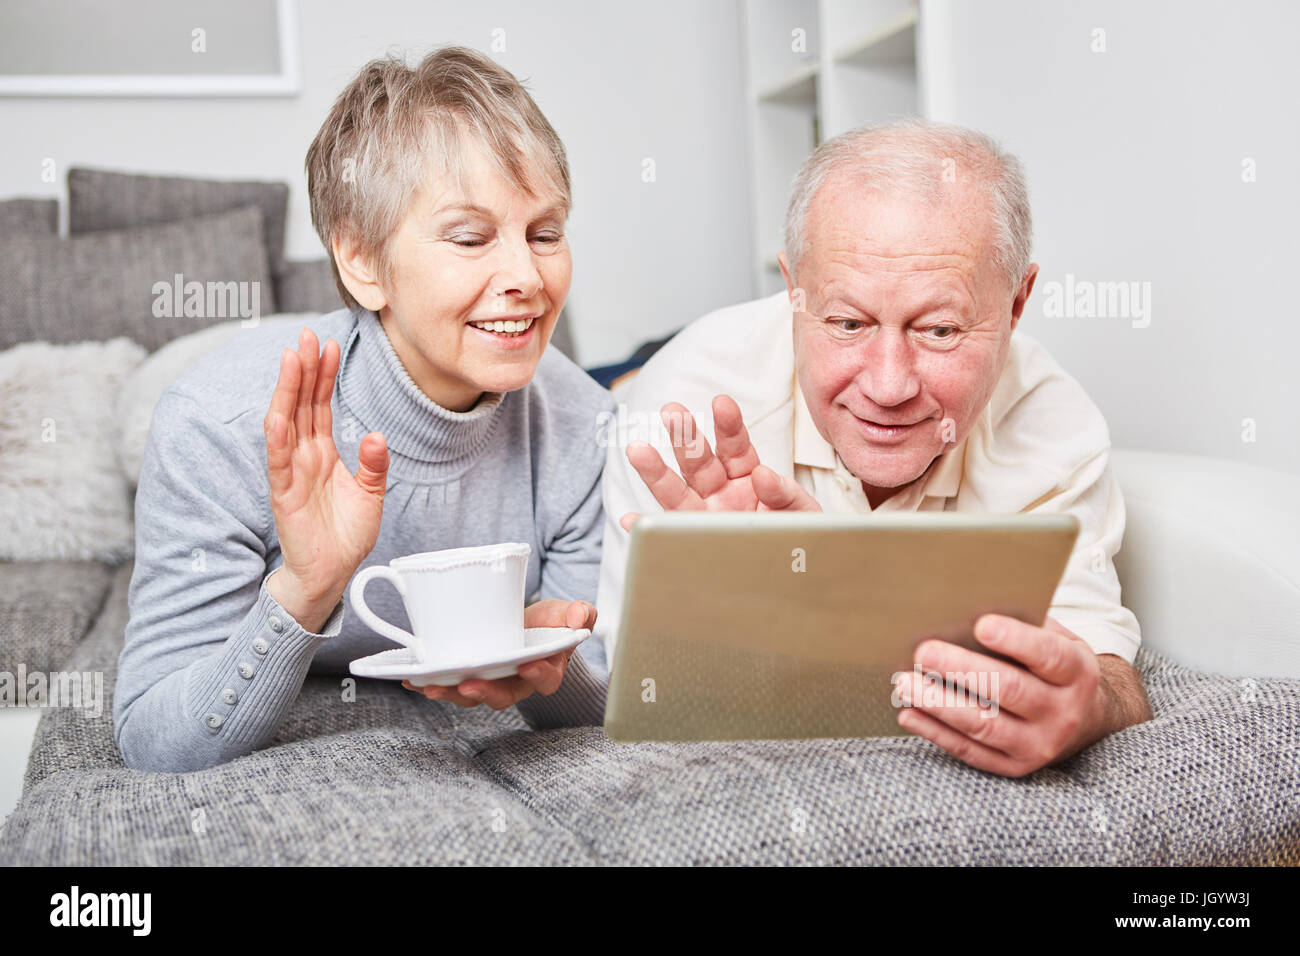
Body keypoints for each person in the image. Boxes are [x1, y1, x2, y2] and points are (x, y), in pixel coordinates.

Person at [596, 118, 1153, 779]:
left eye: (940, 329)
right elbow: (638, 699)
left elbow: (1107, 670)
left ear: (1017, 303)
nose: (889, 386)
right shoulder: (680, 409)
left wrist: (1091, 706)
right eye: (847, 323)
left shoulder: (1053, 425)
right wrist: (729, 620)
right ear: (792, 289)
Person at [115, 47, 612, 772]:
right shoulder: (213, 423)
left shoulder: (585, 427)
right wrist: (303, 591)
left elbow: (611, 702)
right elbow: (153, 740)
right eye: (471, 238)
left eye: (545, 233)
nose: (527, 278)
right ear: (362, 263)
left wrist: (552, 666)